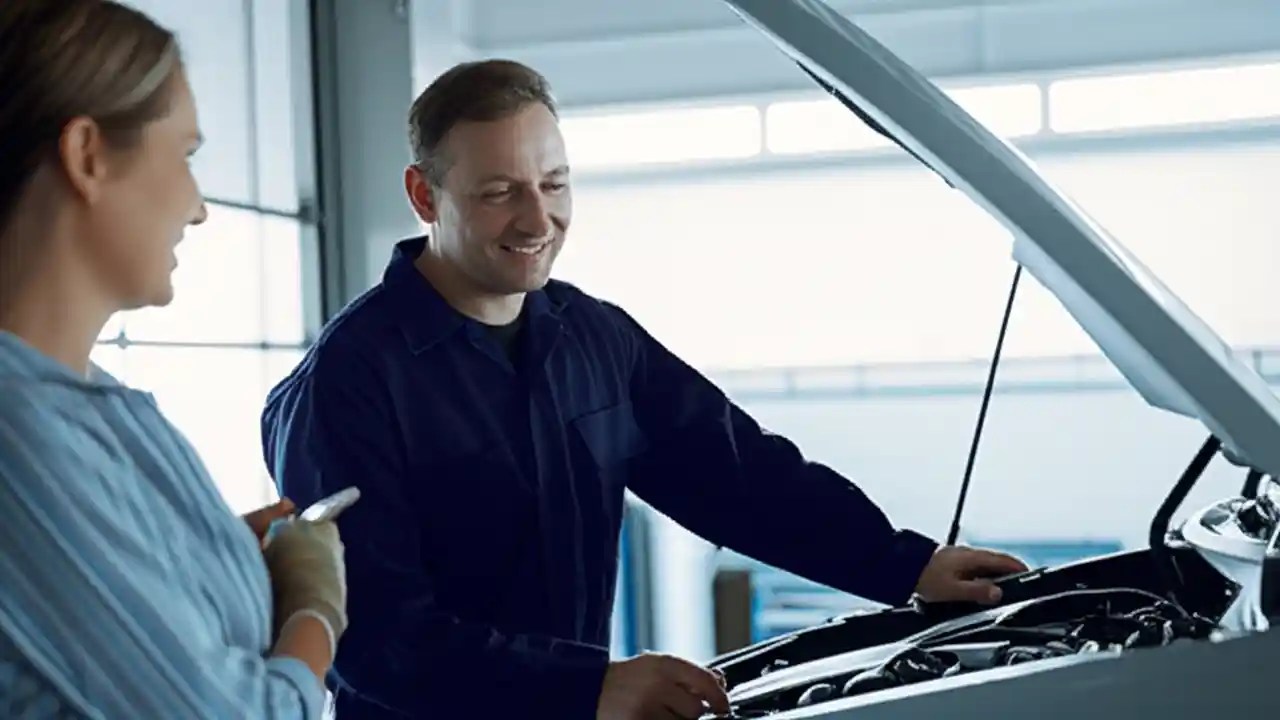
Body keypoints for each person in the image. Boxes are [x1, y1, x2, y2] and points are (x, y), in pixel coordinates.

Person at [260, 59, 1028, 719]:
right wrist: (585, 690)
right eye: (500, 192)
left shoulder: (593, 338)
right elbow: (372, 635)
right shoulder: (346, 386)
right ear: (425, 197)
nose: (539, 218)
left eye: (554, 183)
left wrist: (905, 565)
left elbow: (738, 475)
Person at [0, 2, 347, 717]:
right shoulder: (18, 431)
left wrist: (210, 557)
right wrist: (314, 613)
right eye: (186, 156)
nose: (197, 208)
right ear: (88, 156)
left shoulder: (95, 404)